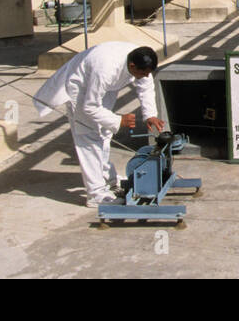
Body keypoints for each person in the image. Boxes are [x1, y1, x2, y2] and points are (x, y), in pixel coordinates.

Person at [33, 41, 166, 207]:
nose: (145, 77)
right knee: (88, 139)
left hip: (106, 89)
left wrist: (150, 115)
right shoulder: (105, 69)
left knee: (104, 133)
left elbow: (145, 87)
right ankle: (95, 194)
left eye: (148, 73)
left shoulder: (139, 60)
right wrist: (118, 120)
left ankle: (108, 179)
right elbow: (90, 106)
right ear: (132, 66)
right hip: (81, 88)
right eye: (143, 73)